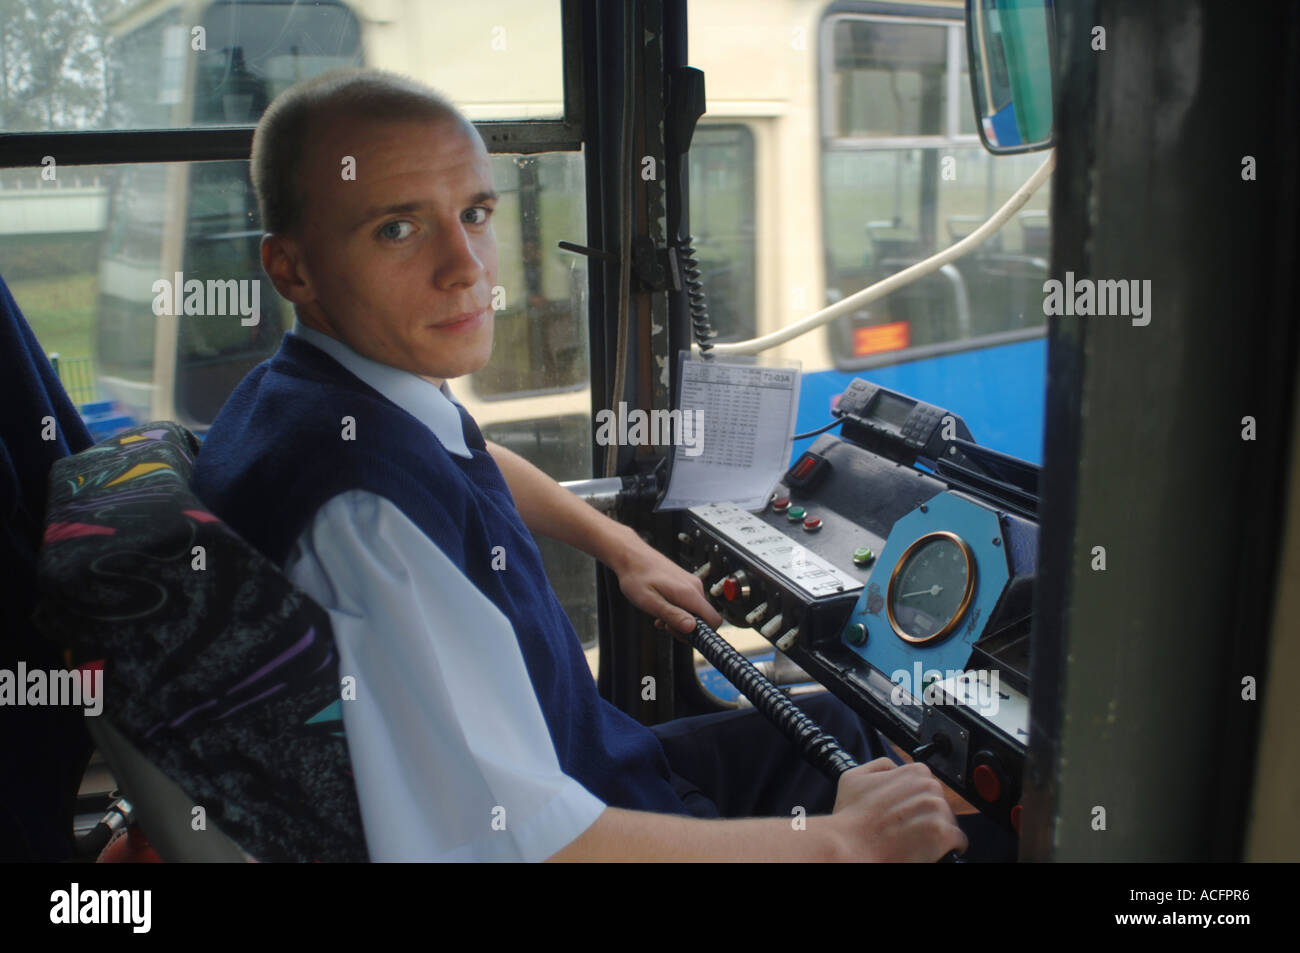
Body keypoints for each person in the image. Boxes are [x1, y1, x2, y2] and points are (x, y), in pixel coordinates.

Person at [192, 68, 968, 862]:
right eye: (397, 228)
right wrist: (846, 844)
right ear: (291, 268)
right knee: (922, 817)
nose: (466, 268)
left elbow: (466, 448)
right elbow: (531, 845)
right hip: (584, 824)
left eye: (475, 213)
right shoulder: (365, 517)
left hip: (598, 766)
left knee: (843, 732)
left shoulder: (314, 398)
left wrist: (623, 548)